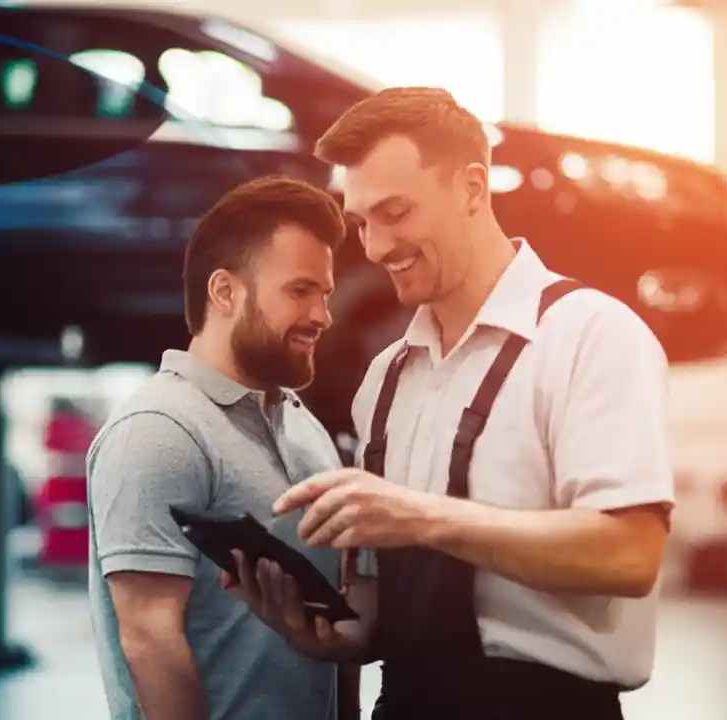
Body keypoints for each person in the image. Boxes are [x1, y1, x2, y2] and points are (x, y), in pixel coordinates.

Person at [224, 88, 675, 719]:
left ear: (471, 189)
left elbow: (630, 554)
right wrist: (330, 633)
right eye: (362, 223)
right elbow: (381, 606)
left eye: (395, 212)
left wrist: (422, 518)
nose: (376, 247)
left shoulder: (591, 336)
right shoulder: (387, 378)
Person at [86, 175, 349, 719]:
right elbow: (150, 640)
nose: (322, 315)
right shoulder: (159, 428)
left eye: (324, 294)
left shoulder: (305, 428)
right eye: (300, 291)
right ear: (225, 292)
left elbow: (332, 628)